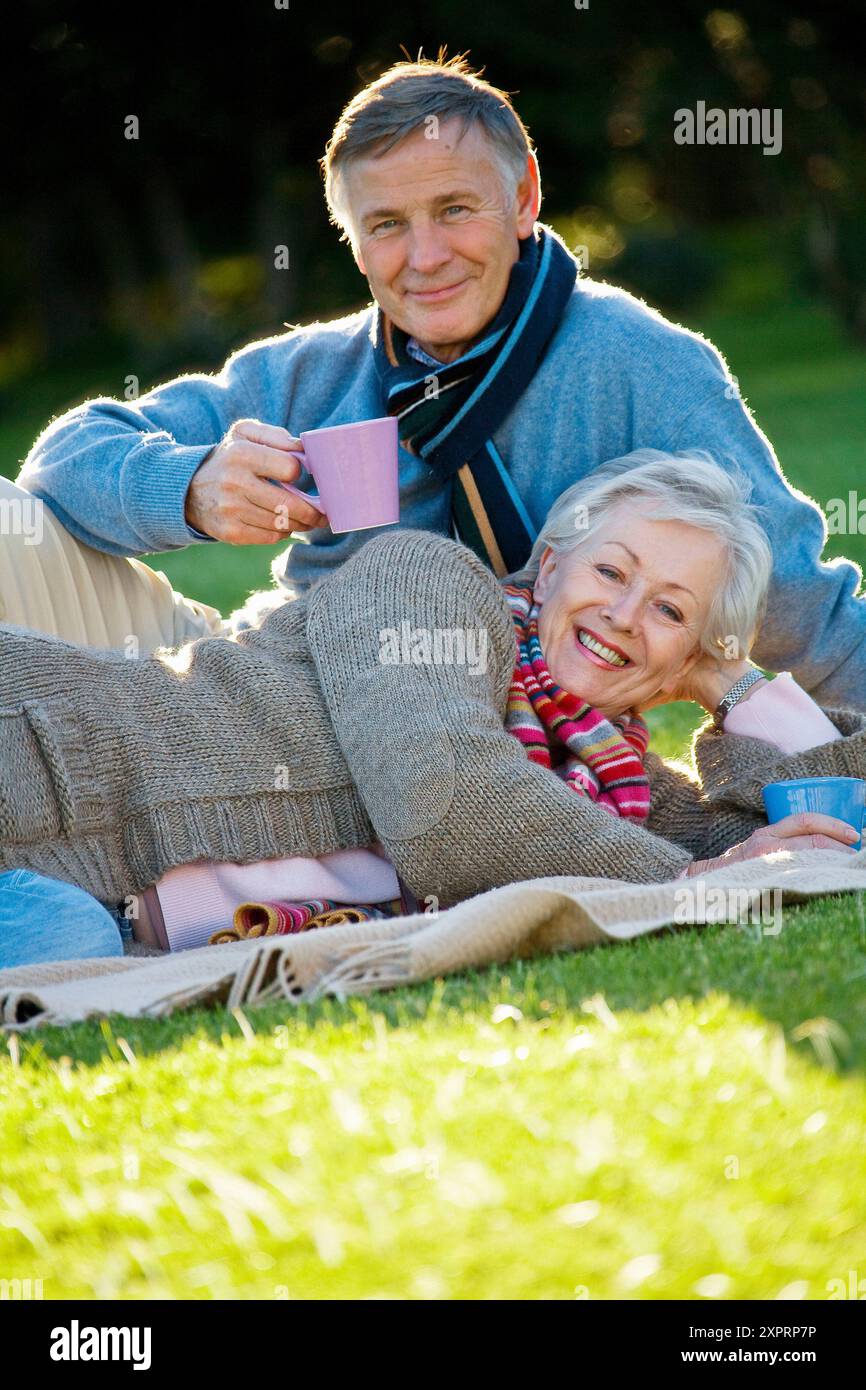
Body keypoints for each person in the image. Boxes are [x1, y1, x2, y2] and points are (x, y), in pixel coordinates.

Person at [2, 55, 864, 709]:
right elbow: (68, 460)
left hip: (484, 746)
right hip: (281, 691)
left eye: (454, 210)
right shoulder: (315, 372)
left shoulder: (640, 363)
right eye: (386, 225)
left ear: (523, 198)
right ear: (353, 239)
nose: (424, 258)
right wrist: (187, 487)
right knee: (11, 525)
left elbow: (798, 610)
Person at [1, 451, 863, 968]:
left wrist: (735, 683)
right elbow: (445, 800)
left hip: (67, 891)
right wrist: (677, 886)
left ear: (689, 654)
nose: (624, 615)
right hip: (34, 753)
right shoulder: (427, 584)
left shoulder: (614, 788)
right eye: (611, 572)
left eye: (672, 611)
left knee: (63, 941)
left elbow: (823, 836)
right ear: (552, 564)